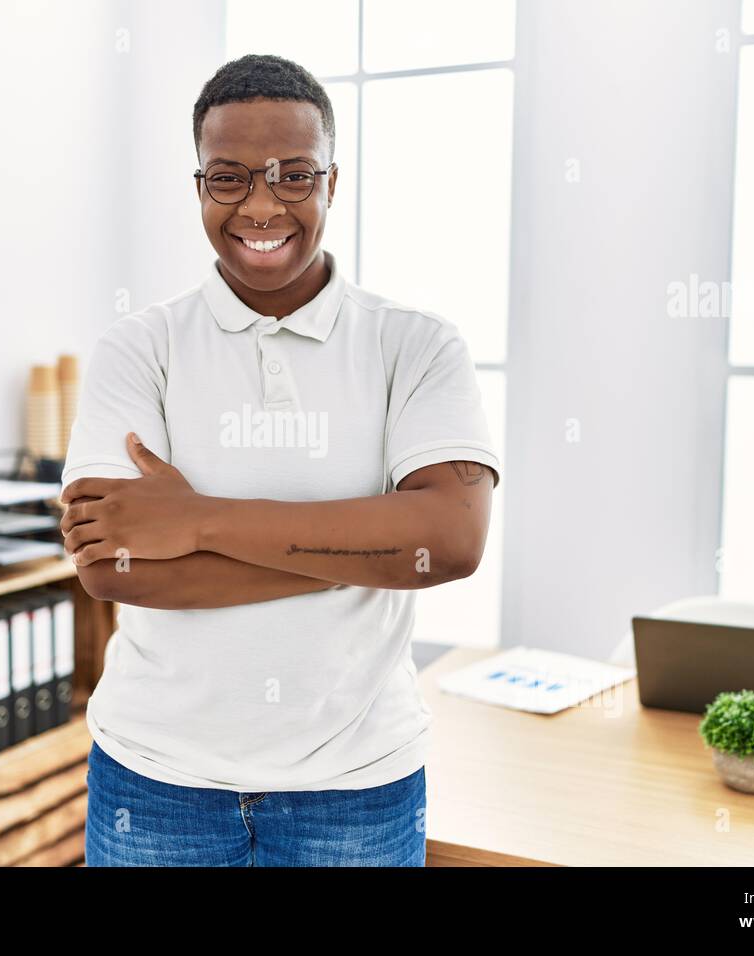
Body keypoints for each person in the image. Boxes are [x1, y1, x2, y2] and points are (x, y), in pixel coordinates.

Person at [59, 53, 500, 867]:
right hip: (155, 785)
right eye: (228, 178)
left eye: (294, 176)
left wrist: (198, 521)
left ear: (334, 182)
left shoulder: (417, 345)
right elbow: (114, 564)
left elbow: (451, 542)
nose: (261, 205)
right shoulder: (138, 349)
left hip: (357, 787)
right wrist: (371, 550)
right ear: (199, 187)